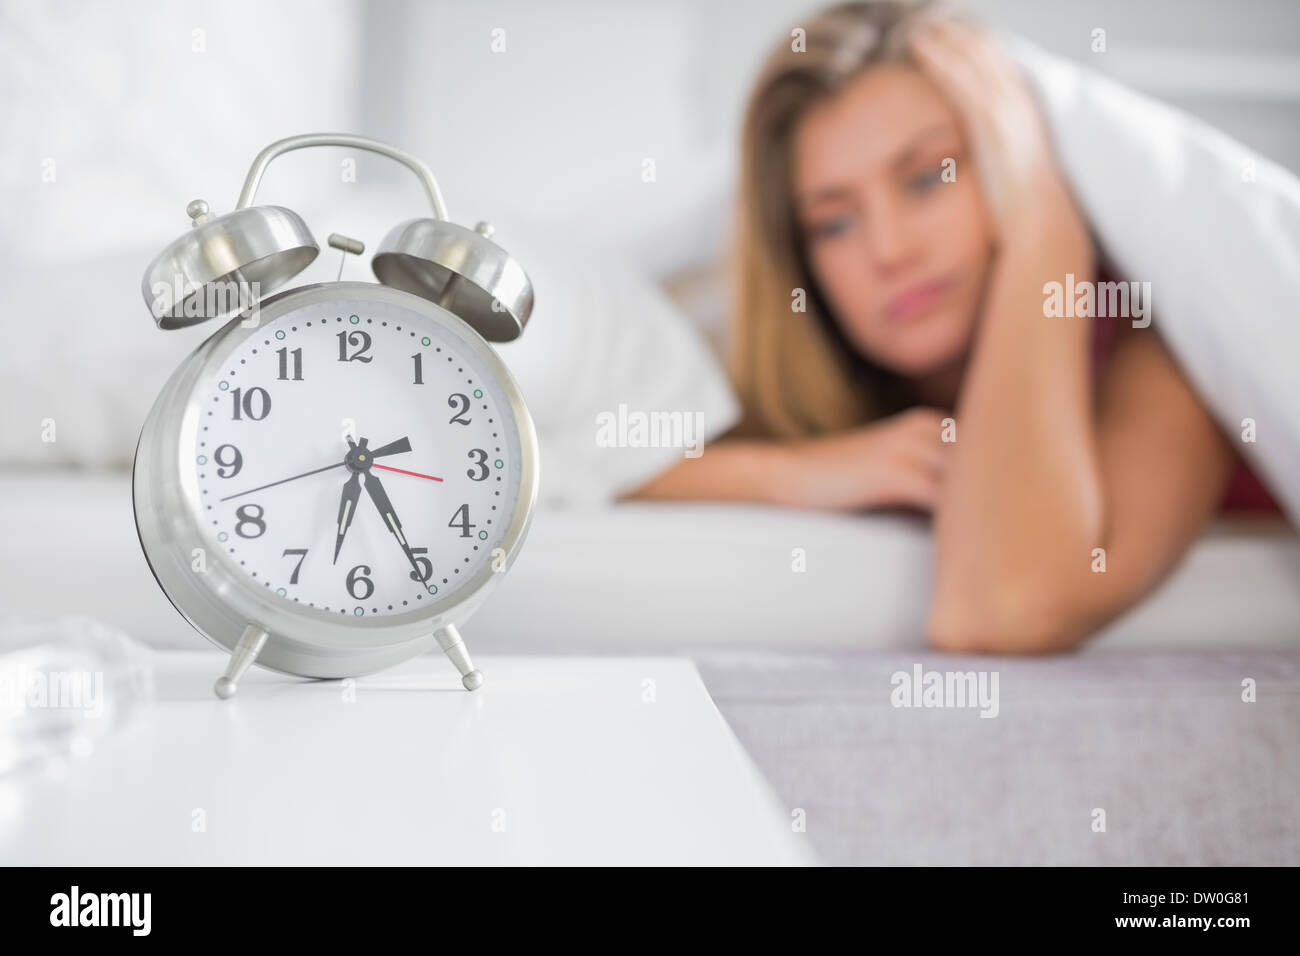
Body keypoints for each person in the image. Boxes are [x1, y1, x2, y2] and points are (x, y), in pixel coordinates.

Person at [630, 1, 1282, 653]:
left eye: (927, 178)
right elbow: (594, 463)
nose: (889, 250)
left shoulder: (1154, 337)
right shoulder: (850, 389)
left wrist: (1045, 233)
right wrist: (800, 472)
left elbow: (1000, 608)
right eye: (834, 223)